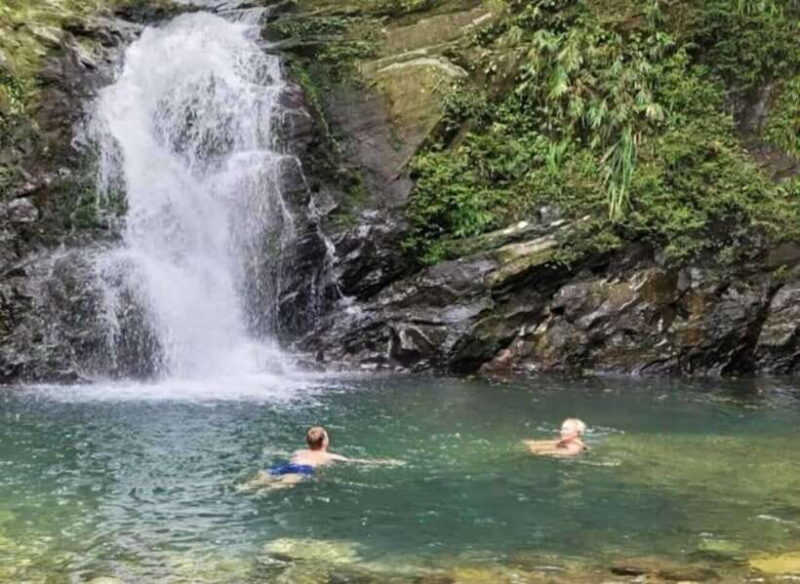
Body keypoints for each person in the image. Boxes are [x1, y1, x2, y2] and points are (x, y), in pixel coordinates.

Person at [243, 426, 400, 491]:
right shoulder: (329, 456)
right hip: (302, 469)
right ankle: (262, 492)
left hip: (285, 465)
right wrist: (383, 462)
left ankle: (246, 487)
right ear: (325, 441)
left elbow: (284, 454)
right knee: (282, 485)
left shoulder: (299, 452)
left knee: (266, 477)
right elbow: (356, 462)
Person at [524, 418, 588, 457]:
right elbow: (554, 442)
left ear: (576, 433)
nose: (562, 432)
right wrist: (534, 443)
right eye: (562, 429)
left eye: (566, 429)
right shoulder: (567, 440)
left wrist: (543, 452)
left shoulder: (575, 445)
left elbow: (570, 453)